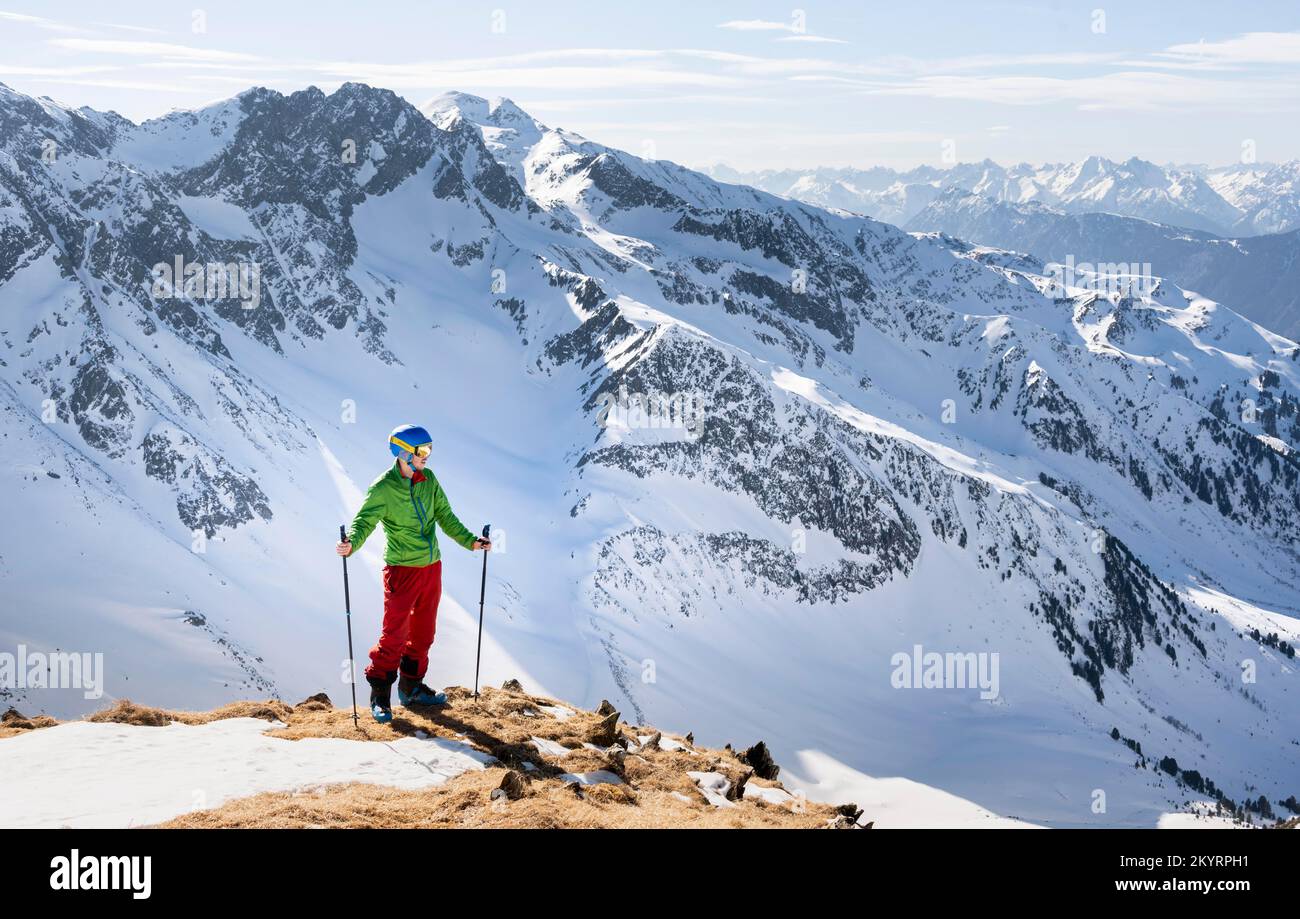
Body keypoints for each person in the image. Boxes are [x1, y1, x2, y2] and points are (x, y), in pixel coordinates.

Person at [335, 424, 490, 722]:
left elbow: (445, 516)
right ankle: (380, 696)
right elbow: (364, 521)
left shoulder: (428, 479)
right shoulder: (383, 488)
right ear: (403, 452)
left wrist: (471, 540)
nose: (428, 456)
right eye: (422, 450)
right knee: (394, 635)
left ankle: (411, 688)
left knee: (423, 633)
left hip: (432, 568)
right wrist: (351, 543)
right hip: (402, 570)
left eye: (430, 449)